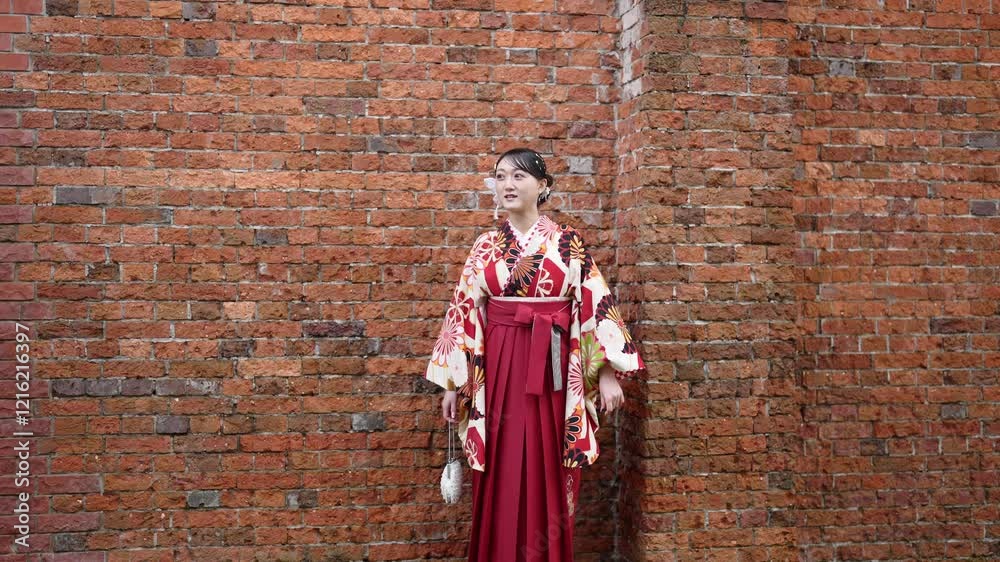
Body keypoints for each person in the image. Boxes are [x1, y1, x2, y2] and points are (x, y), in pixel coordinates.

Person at [425, 148, 645, 561]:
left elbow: (593, 304)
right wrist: (453, 383)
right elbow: (464, 312)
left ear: (543, 186)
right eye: (501, 177)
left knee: (548, 459)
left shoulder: (568, 243)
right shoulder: (485, 246)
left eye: (519, 177)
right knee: (501, 459)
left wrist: (606, 373)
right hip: (499, 364)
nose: (508, 185)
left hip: (556, 365)